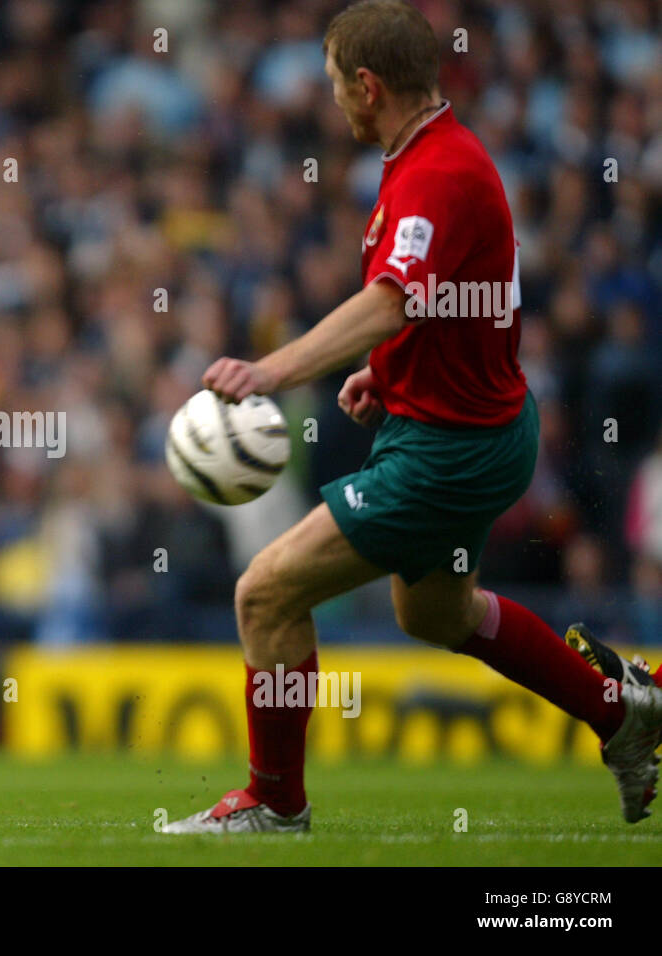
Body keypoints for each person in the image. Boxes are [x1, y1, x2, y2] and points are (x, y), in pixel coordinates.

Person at [164, 0, 662, 834]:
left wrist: (271, 369)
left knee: (265, 594)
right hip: (463, 424)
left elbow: (392, 300)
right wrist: (386, 375)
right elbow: (436, 303)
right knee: (433, 614)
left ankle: (273, 802)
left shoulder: (435, 173)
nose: (331, 102)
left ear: (368, 85)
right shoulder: (426, 156)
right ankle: (618, 710)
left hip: (449, 452)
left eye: (334, 86)